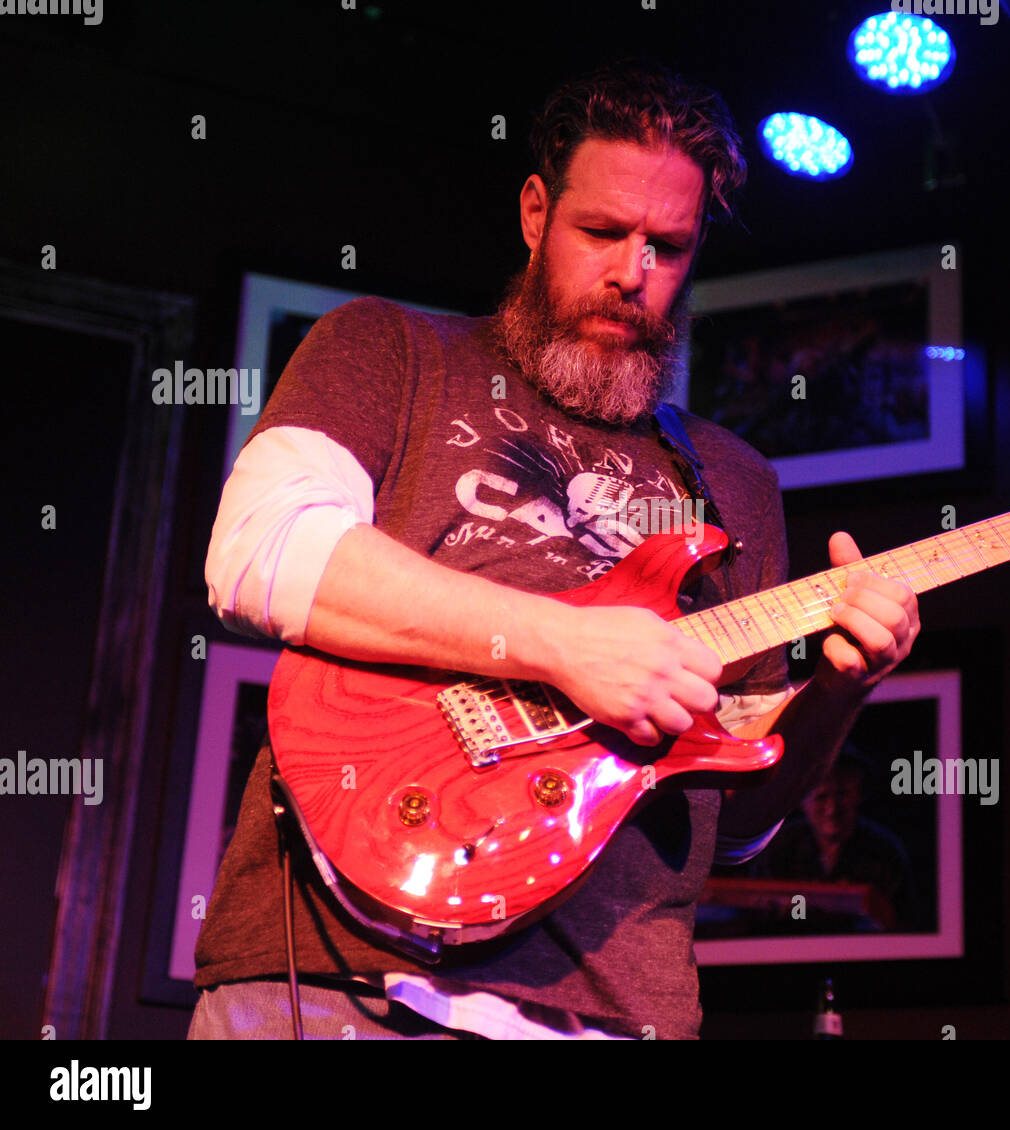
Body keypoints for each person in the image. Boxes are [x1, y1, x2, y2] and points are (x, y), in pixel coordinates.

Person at [188, 59, 919, 1041]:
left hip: (612, 1010)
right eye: (603, 232)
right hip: (331, 970)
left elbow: (736, 827)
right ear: (536, 212)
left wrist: (841, 689)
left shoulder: (737, 480)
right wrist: (568, 646)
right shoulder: (389, 351)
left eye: (667, 245)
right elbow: (259, 547)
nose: (632, 273)